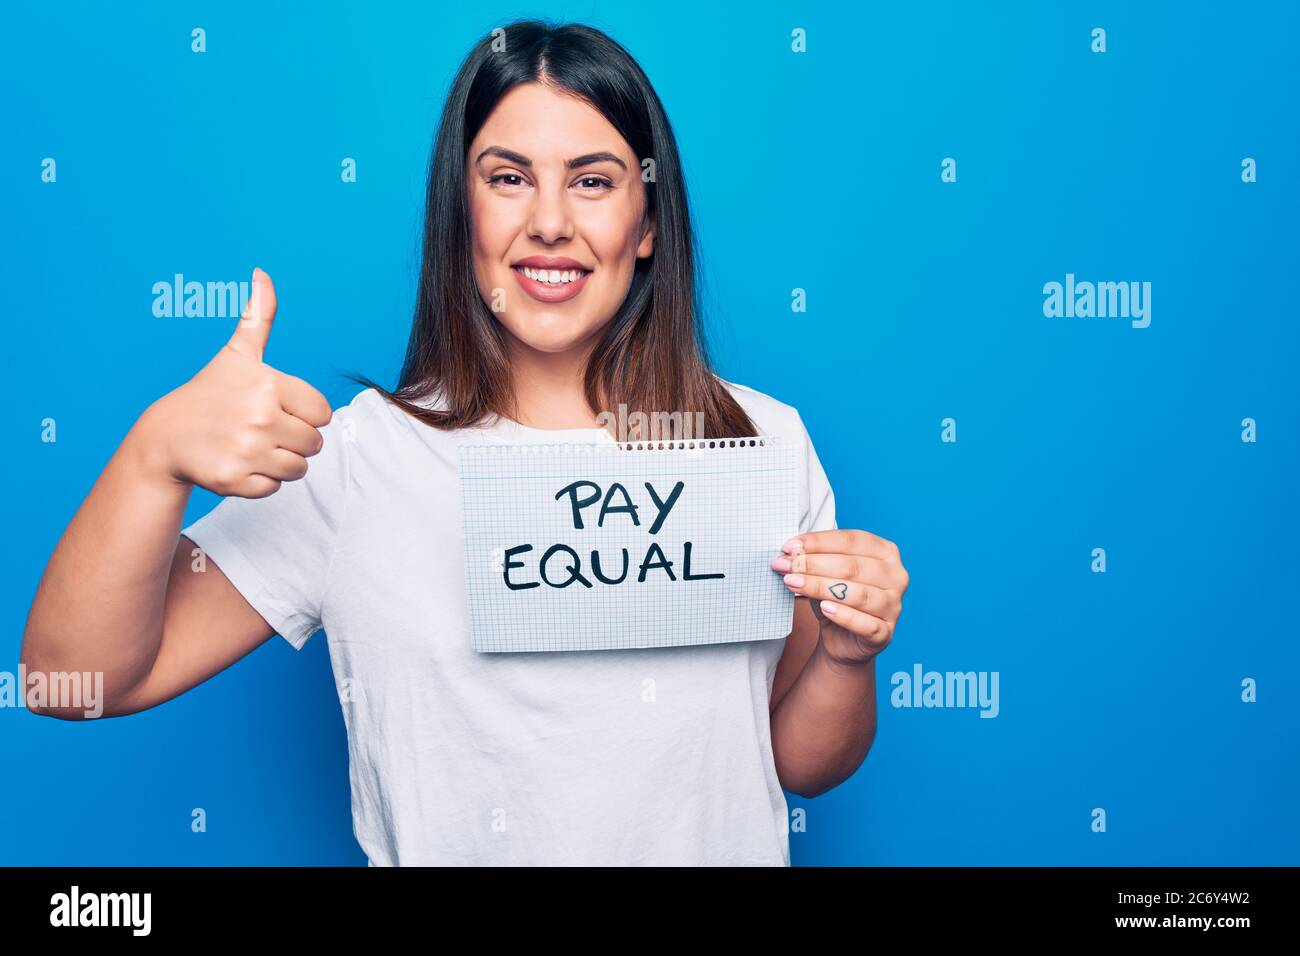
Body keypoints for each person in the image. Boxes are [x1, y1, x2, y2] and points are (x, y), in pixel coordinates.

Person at [21, 19, 909, 866]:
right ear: (462, 218)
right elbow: (74, 680)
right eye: (508, 178)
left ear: (646, 226)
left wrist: (846, 654)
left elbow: (799, 763)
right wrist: (153, 458)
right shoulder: (357, 461)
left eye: (594, 181)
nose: (551, 222)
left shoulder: (756, 445)